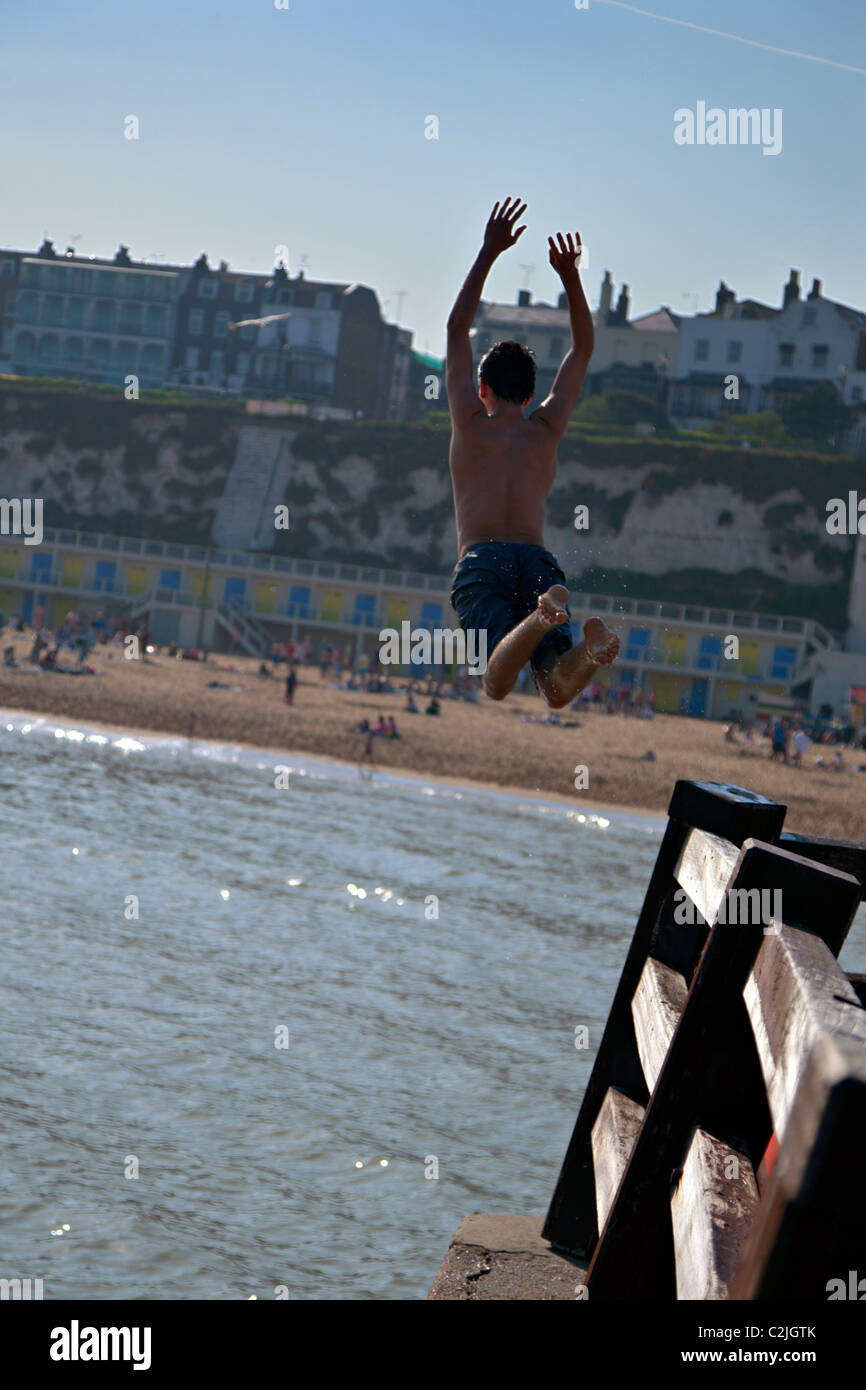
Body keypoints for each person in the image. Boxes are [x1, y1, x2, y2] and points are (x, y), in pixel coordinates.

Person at [446, 198, 619, 709]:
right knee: (556, 689)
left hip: (484, 559)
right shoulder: (545, 428)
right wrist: (570, 276)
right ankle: (588, 647)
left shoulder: (470, 423)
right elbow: (582, 349)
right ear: (530, 394)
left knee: (496, 684)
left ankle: (543, 616)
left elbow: (456, 331)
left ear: (482, 388)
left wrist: (488, 251)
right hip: (537, 560)